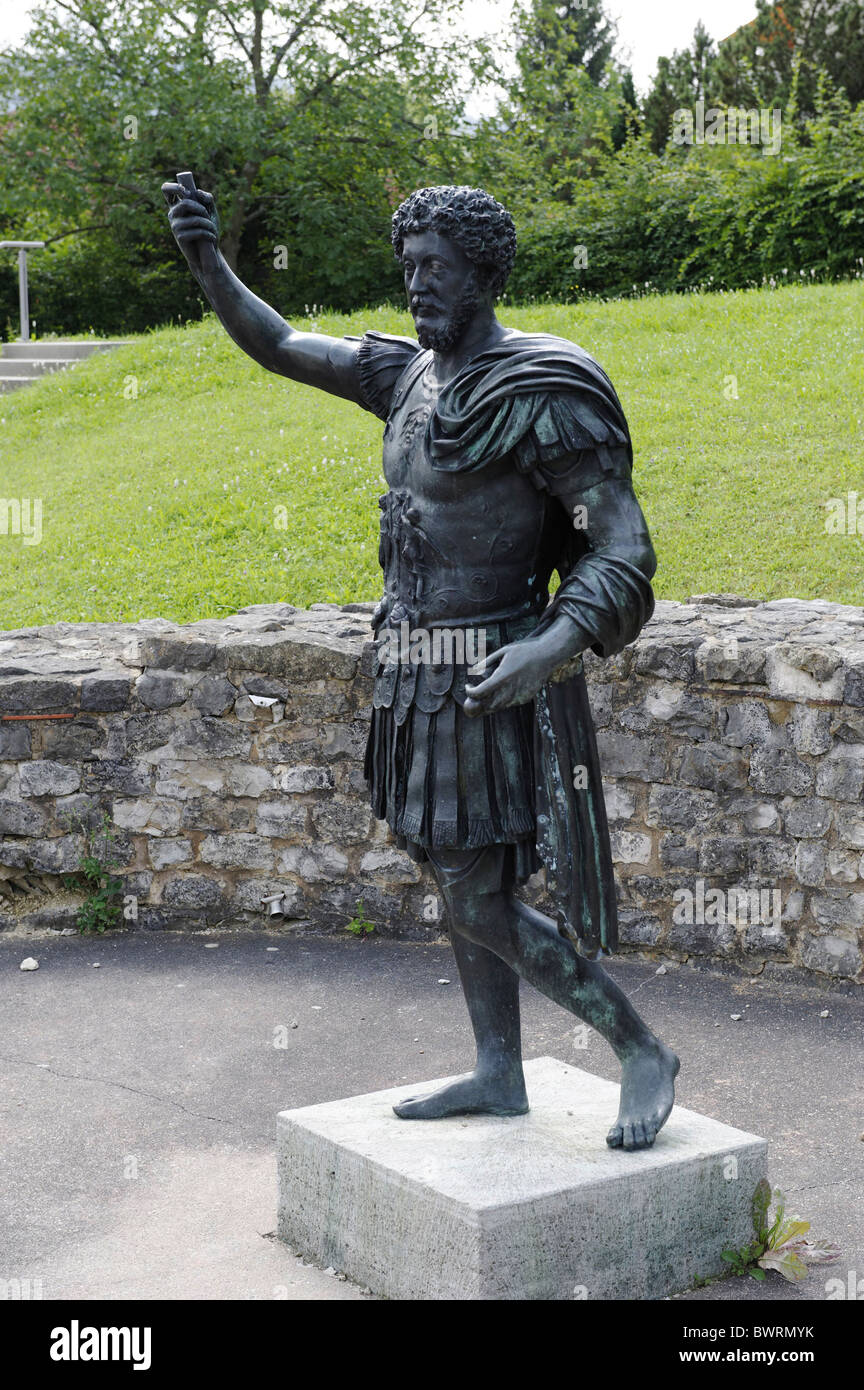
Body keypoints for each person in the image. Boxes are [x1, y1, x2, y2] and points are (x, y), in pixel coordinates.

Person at [164, 179, 679, 1150]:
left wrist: (553, 645)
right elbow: (280, 344)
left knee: (475, 890)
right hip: (411, 668)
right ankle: (498, 1067)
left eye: (434, 270)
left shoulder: (544, 393)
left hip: (489, 668)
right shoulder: (409, 378)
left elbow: (623, 550)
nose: (416, 290)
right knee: (450, 872)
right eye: (408, 270)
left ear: (482, 274)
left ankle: (640, 1046)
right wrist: (208, 262)